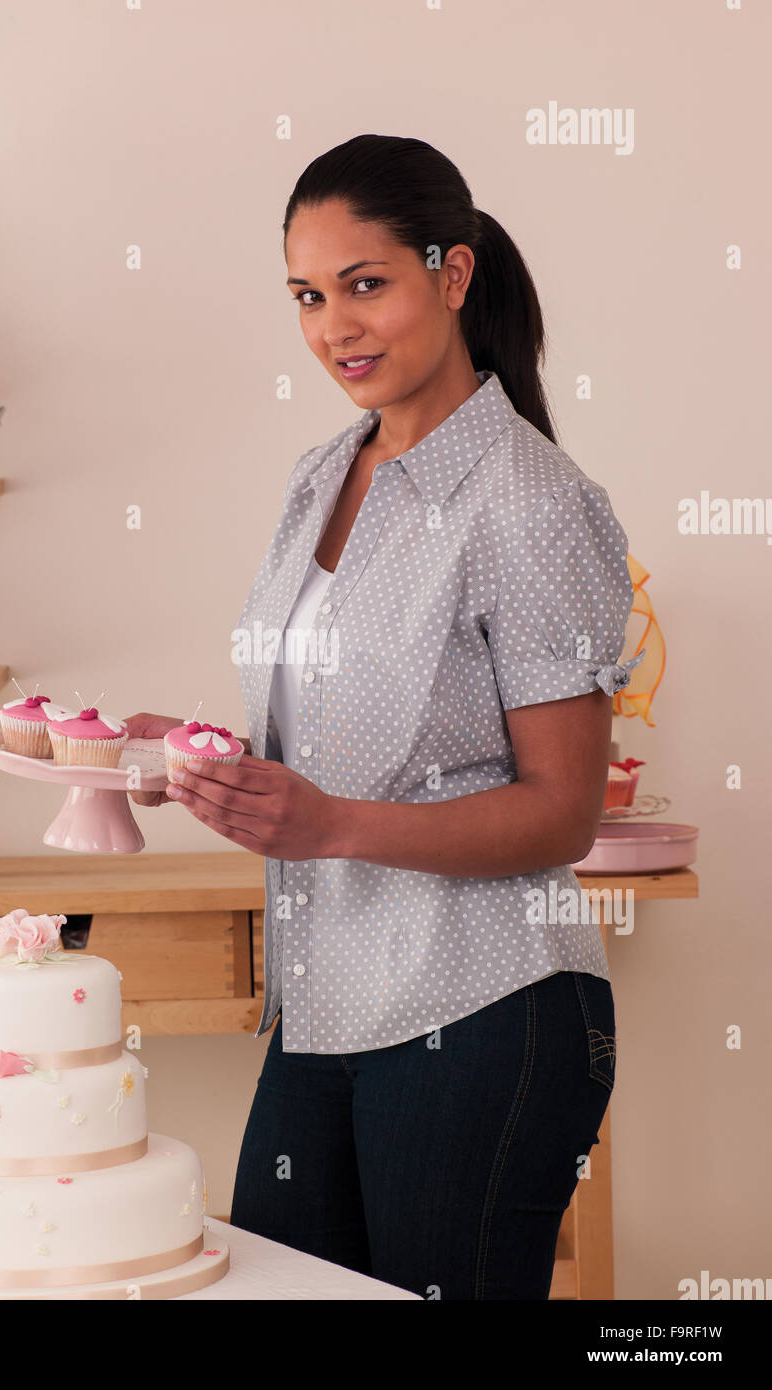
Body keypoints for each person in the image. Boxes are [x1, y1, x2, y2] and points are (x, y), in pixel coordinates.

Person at [125, 133, 641, 1300]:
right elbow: (340, 754)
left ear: (452, 276)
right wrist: (200, 759)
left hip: (485, 1014)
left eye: (368, 285)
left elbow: (560, 815)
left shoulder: (534, 503)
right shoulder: (322, 474)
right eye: (309, 296)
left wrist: (327, 825)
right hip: (323, 1009)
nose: (335, 328)